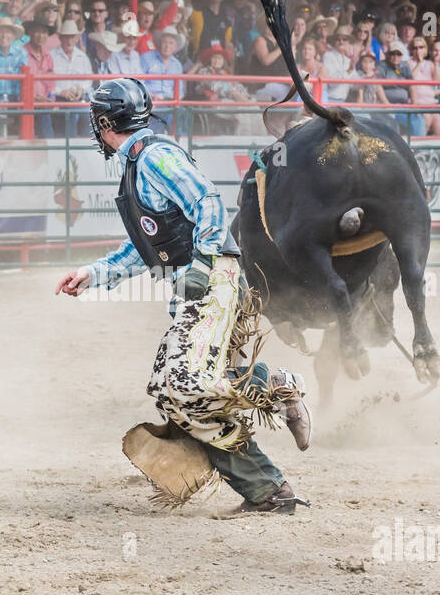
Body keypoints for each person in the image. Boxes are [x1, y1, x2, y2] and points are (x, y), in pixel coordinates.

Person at [54, 78, 312, 514]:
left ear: (103, 123)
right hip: (199, 288)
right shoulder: (140, 164)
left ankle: (279, 383)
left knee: (187, 384)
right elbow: (145, 247)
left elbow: (208, 203)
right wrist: (93, 273)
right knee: (178, 395)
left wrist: (203, 262)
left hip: (210, 283)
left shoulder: (154, 158)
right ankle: (269, 492)